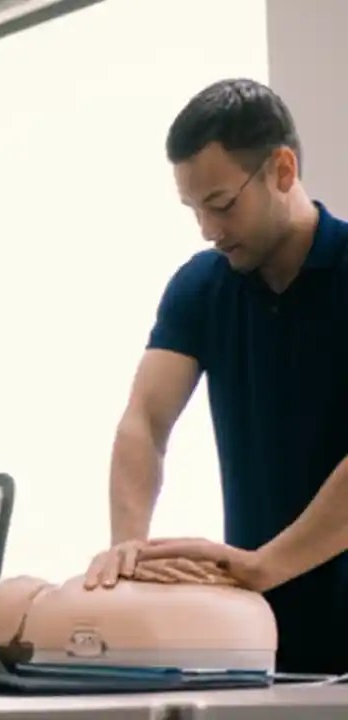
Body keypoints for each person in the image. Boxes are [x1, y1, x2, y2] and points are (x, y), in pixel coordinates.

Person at [84, 78, 348, 675]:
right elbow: (144, 424)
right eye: (194, 209)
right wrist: (129, 550)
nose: (207, 228)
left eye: (222, 204)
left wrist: (266, 564)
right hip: (266, 635)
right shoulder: (201, 286)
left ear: (283, 169)